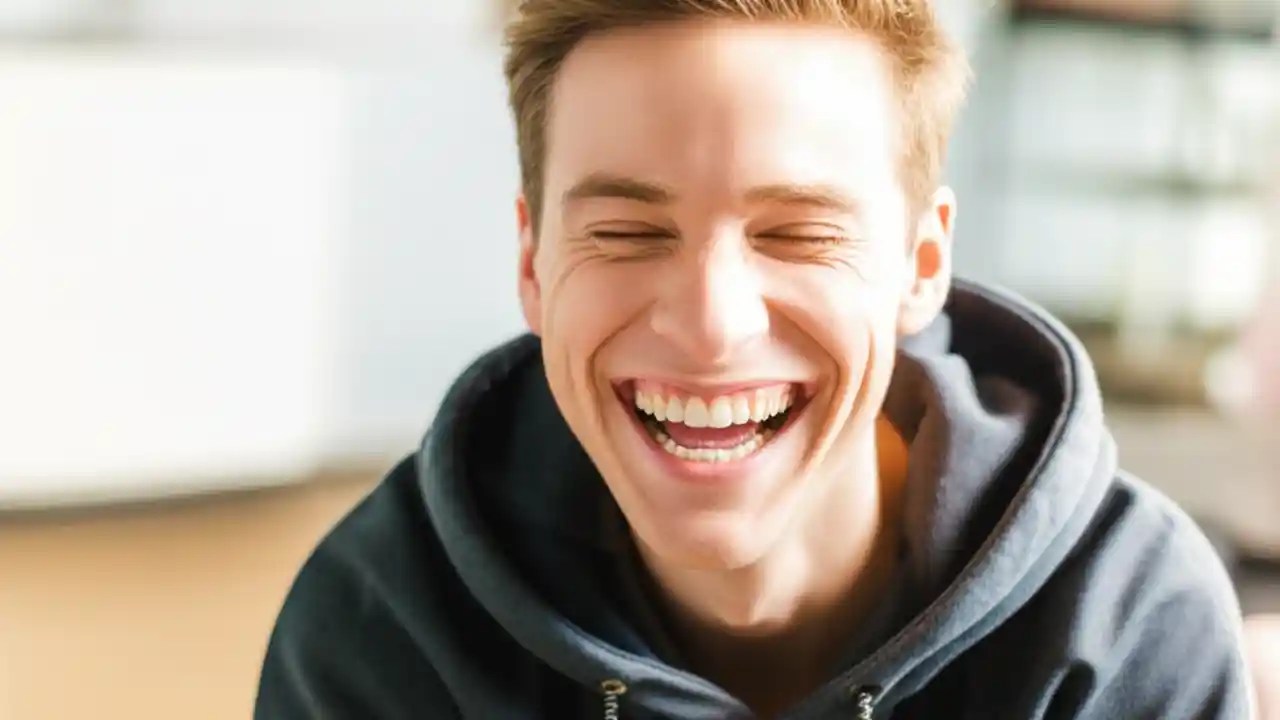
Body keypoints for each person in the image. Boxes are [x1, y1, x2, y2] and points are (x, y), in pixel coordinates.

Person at [254, 1, 1255, 718]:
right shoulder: (381, 623)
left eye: (797, 234)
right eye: (626, 233)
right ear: (531, 261)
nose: (709, 327)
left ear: (920, 262)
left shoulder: (1128, 631)